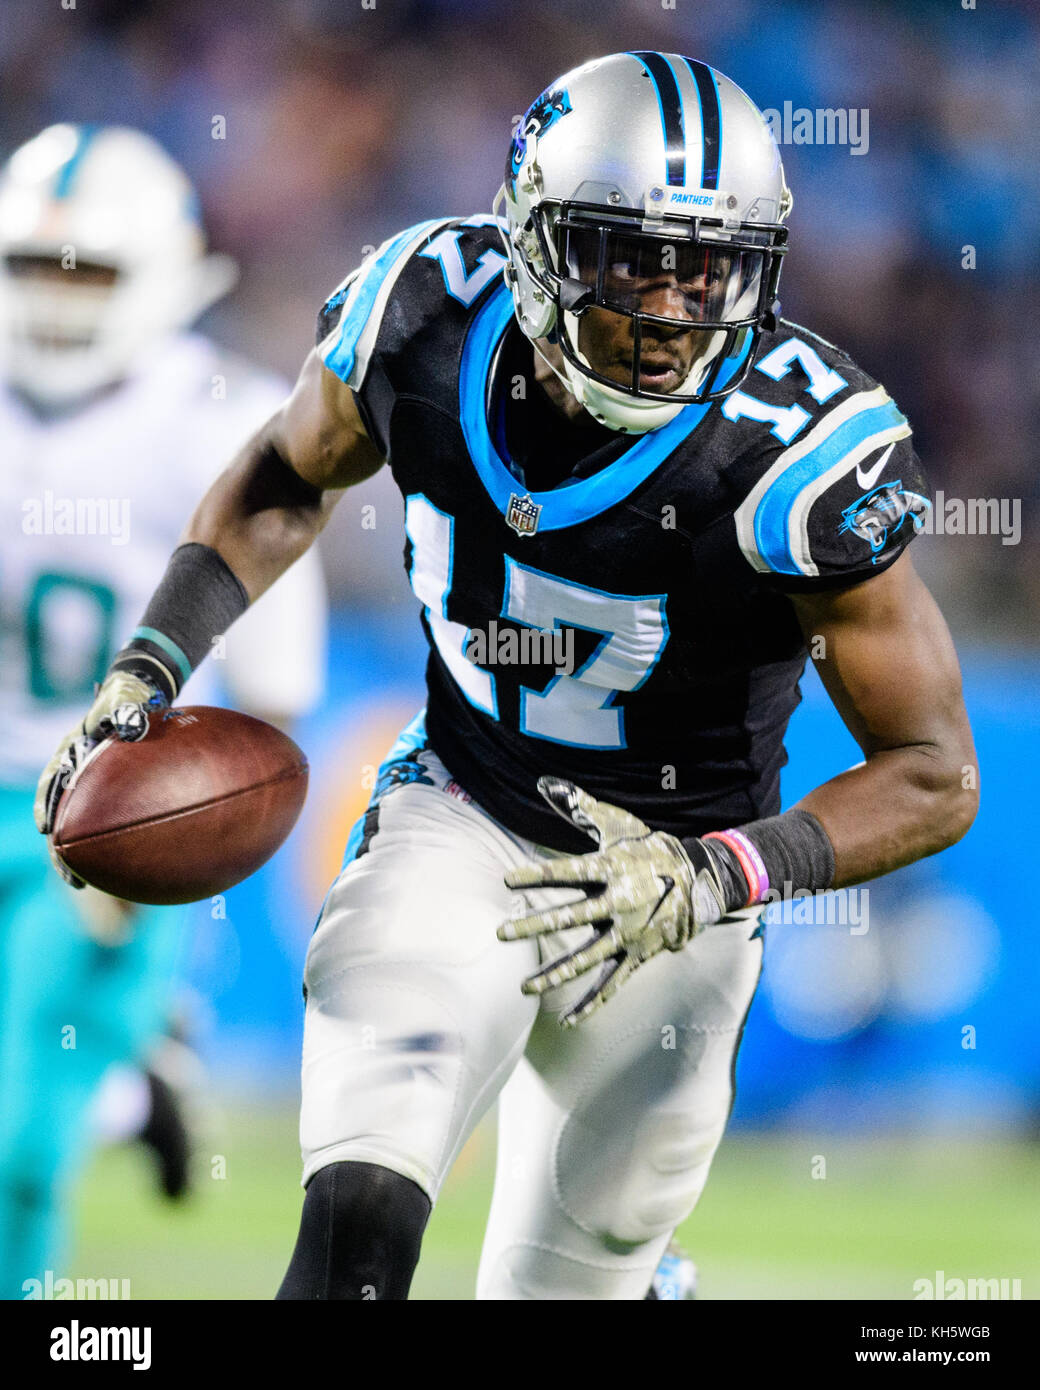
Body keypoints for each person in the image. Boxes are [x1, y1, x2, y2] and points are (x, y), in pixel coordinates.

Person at [36, 55, 977, 1301]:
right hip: (461, 810)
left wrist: (720, 872)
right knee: (357, 1215)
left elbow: (932, 772)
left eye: (707, 265)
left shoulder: (797, 448)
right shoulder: (424, 308)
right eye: (627, 259)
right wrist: (153, 660)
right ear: (530, 238)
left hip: (677, 885)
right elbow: (282, 475)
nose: (669, 311)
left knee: (560, 1285)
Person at [0, 123, 326, 1298]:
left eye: (87, 270)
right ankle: (139, 1072)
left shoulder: (215, 418)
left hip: (99, 811)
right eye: (35, 267)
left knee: (17, 1137)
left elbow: (279, 692)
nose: (57, 298)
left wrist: (165, 840)